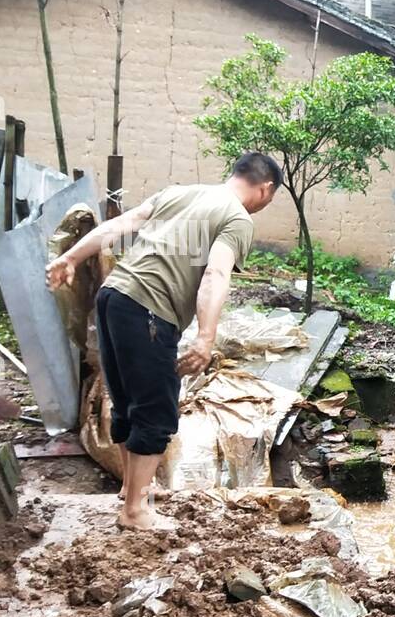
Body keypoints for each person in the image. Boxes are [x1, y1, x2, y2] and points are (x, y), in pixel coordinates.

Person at [45, 152, 282, 530]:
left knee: (126, 402)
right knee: (156, 411)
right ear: (265, 189)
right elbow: (216, 274)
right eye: (269, 199)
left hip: (113, 298)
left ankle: (131, 490)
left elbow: (121, 224)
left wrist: (71, 258)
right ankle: (136, 512)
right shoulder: (236, 218)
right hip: (149, 312)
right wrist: (205, 337)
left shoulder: (181, 192)